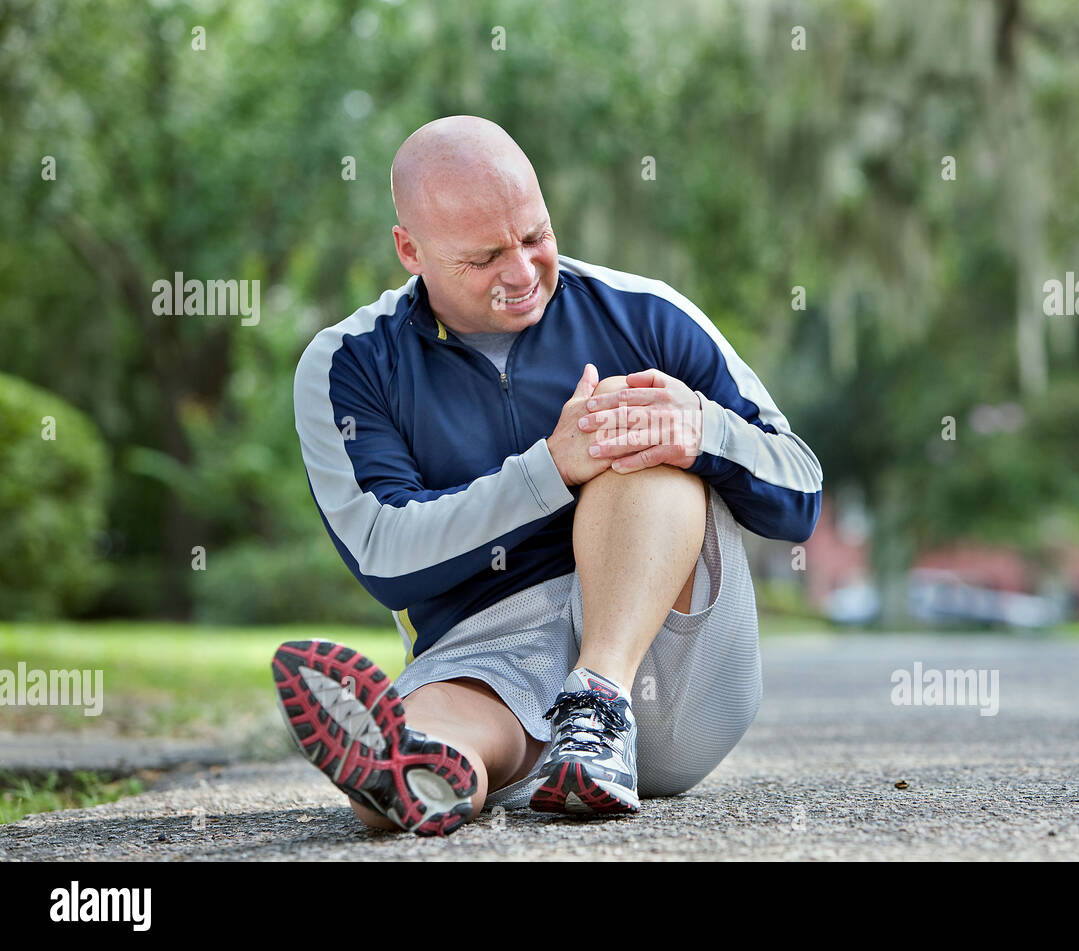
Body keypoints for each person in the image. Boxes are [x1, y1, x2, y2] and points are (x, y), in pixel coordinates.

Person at [271, 115, 823, 835]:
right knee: (408, 752)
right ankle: (429, 775)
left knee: (634, 436)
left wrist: (703, 431)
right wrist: (550, 470)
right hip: (491, 665)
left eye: (536, 236)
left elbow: (802, 488)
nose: (523, 274)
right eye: (486, 256)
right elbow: (382, 554)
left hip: (666, 668)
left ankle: (598, 703)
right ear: (411, 250)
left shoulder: (644, 312)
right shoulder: (347, 364)